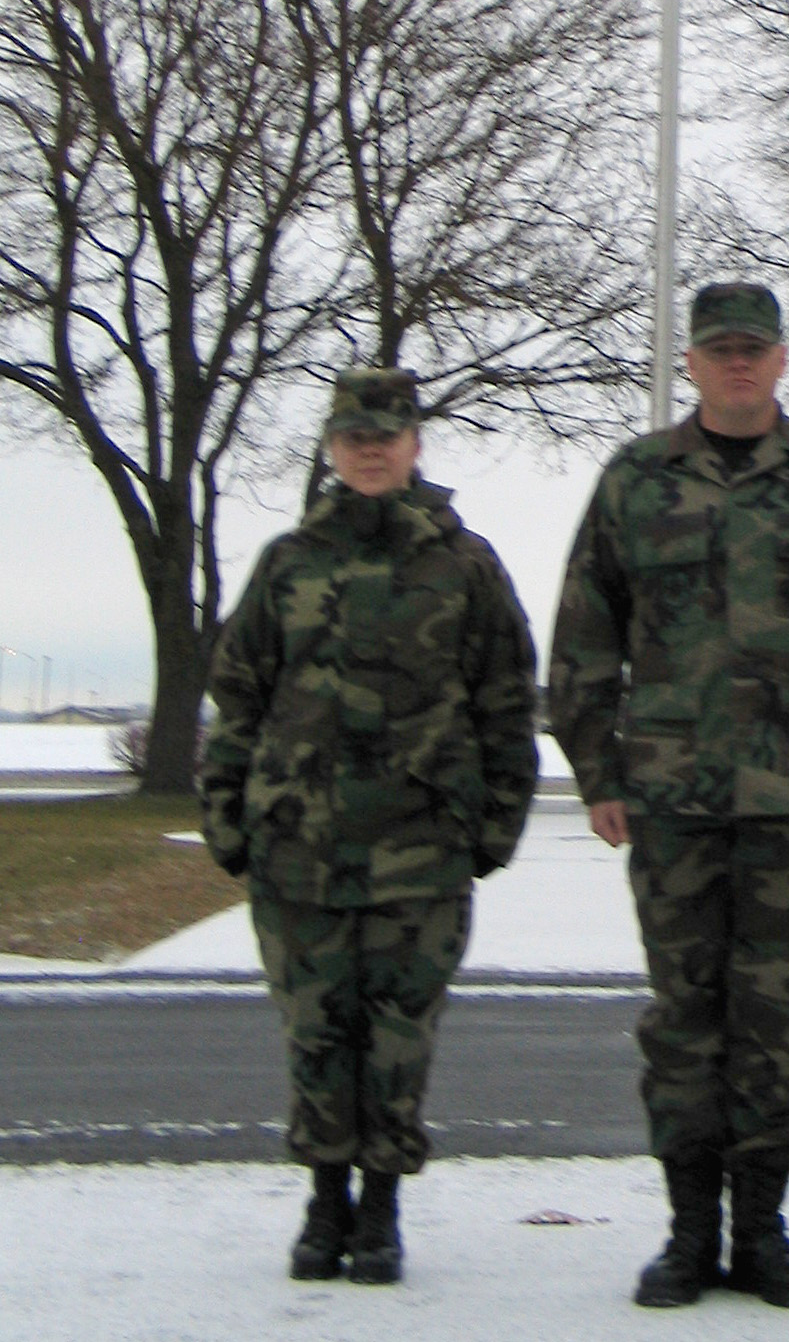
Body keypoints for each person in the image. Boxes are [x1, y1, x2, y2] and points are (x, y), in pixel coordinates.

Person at [548, 280, 789, 1311]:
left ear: (783, 358)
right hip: (670, 798)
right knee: (684, 1018)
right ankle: (686, 1230)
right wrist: (597, 767)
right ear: (692, 361)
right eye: (720, 349)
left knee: (774, 1017)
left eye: (754, 347)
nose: (739, 363)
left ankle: (760, 1228)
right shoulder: (635, 479)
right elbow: (584, 632)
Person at [199, 367, 539, 1286]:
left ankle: (382, 1207)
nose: (372, 449)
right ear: (332, 447)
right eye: (355, 436)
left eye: (387, 435)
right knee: (315, 1031)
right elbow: (238, 698)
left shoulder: (464, 564)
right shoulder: (288, 563)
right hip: (298, 849)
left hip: (421, 851)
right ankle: (322, 1203)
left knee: (397, 1038)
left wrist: (495, 824)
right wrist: (226, 817)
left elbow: (507, 702)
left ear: (415, 442)